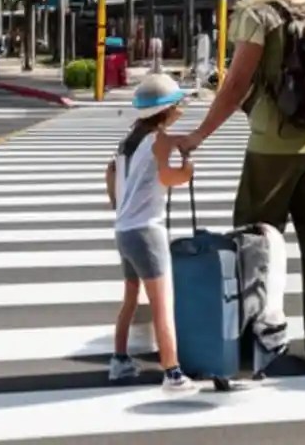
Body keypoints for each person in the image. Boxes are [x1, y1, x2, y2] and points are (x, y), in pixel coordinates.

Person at [174, 0, 305, 367]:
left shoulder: (261, 16)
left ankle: (247, 347)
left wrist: (196, 136)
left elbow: (235, 86)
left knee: (255, 246)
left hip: (271, 150)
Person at [105, 73, 197, 390]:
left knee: (130, 298)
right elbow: (169, 177)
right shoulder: (157, 141)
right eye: (178, 104)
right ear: (167, 110)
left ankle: (119, 360)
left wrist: (119, 205)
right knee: (161, 303)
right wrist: (187, 169)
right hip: (146, 231)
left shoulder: (129, 141)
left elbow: (110, 172)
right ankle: (172, 372)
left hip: (124, 230)